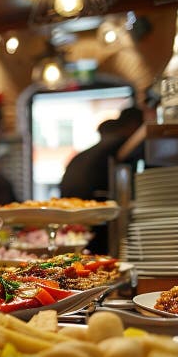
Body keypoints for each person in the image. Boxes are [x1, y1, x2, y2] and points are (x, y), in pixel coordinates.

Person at [60, 106, 143, 253]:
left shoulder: (86, 154)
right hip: (98, 225)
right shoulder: (121, 145)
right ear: (133, 125)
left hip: (73, 221)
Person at [60, 106, 144, 201]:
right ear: (133, 125)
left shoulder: (94, 151)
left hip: (70, 203)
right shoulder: (120, 144)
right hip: (91, 204)